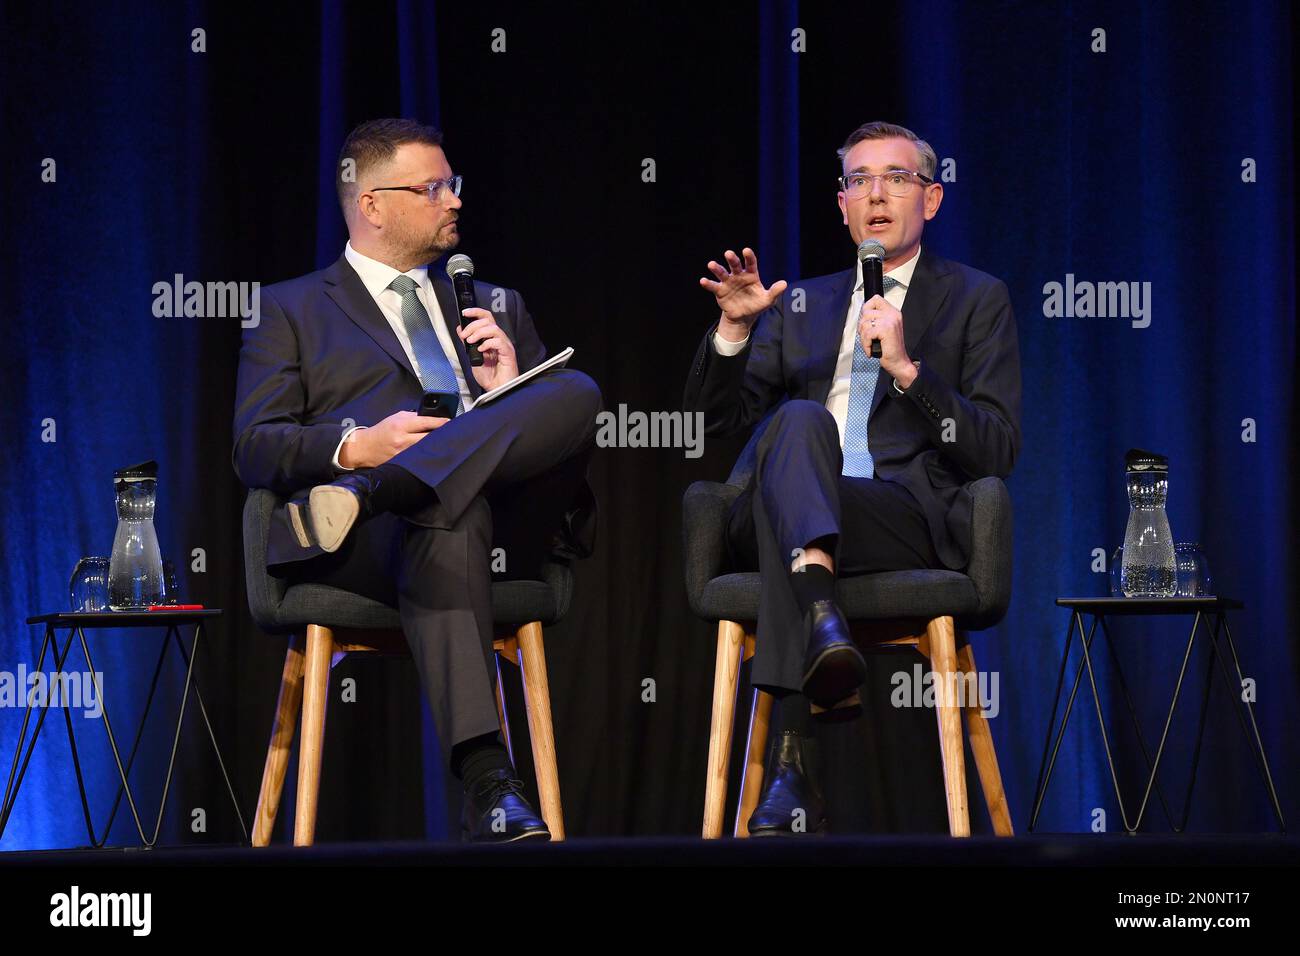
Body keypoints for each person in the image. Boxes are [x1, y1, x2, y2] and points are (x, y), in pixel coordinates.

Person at [232, 118, 601, 843]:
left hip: (501, 523)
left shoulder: (497, 304)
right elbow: (254, 446)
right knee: (444, 516)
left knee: (578, 389)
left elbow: (547, 441)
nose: (453, 201)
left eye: (452, 185)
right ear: (372, 204)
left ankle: (397, 485)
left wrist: (509, 388)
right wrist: (357, 446)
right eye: (433, 188)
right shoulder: (290, 309)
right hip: (375, 542)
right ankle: (490, 779)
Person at [684, 121, 1021, 835]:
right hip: (782, 499)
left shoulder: (976, 299)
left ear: (930, 199)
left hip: (897, 513)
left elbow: (994, 450)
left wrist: (908, 372)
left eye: (895, 178)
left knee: (798, 510)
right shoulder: (798, 302)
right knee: (803, 423)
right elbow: (712, 425)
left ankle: (795, 757)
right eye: (859, 180)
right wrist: (734, 333)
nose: (876, 193)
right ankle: (819, 607)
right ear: (842, 206)